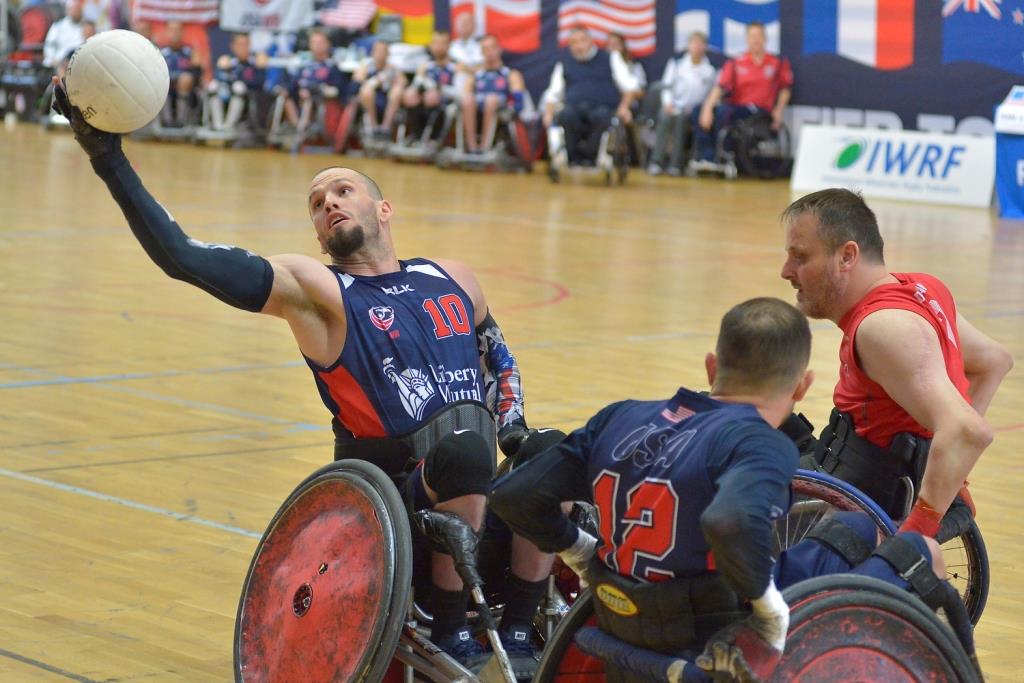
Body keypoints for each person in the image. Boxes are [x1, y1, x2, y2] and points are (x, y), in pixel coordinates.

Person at [50, 79, 554, 677]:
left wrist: (517, 430)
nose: (330, 203)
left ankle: (524, 622)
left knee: (552, 453)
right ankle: (450, 626)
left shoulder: (453, 275)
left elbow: (498, 356)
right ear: (318, 232)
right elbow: (183, 256)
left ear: (382, 209)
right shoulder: (318, 292)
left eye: (343, 190)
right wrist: (107, 157)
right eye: (318, 203)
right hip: (400, 499)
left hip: (477, 488)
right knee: (469, 453)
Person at [491, 297, 949, 681]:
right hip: (717, 630)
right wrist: (769, 610)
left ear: (711, 367)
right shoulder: (761, 443)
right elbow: (728, 520)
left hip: (622, 616)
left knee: (853, 525)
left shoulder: (620, 416)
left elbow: (515, 494)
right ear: (803, 386)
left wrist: (582, 552)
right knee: (922, 552)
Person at [780, 188, 1013, 536]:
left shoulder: (884, 328)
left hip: (841, 501)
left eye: (800, 257)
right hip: (840, 470)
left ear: (847, 256)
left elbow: (967, 430)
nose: (786, 271)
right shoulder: (922, 288)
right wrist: (950, 472)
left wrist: (916, 533)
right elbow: (994, 360)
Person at [692, 21, 791, 172]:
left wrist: (778, 111)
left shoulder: (776, 63)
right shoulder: (736, 62)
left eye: (759, 36)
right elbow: (721, 86)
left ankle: (724, 155)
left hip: (759, 112)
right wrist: (707, 108)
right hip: (736, 107)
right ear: (747, 39)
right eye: (752, 36)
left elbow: (785, 89)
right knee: (699, 110)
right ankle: (707, 156)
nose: (755, 39)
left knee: (725, 111)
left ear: (765, 39)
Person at [541, 27, 639, 164]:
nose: (579, 45)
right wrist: (548, 113)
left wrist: (624, 107)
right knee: (565, 115)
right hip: (574, 108)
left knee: (601, 116)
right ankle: (573, 158)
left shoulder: (611, 58)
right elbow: (553, 93)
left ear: (590, 41)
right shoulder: (564, 63)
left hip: (603, 107)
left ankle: (590, 157)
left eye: (582, 40)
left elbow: (630, 87)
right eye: (574, 42)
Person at [647, 31, 715, 177]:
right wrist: (668, 103)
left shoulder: (709, 71)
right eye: (693, 43)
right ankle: (656, 162)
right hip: (672, 105)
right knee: (665, 118)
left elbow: (710, 95)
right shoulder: (677, 64)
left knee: (681, 121)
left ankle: (676, 164)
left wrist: (700, 109)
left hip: (693, 110)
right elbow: (666, 86)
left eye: (700, 44)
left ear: (705, 47)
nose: (696, 47)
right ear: (688, 46)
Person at [460, 34, 525, 154]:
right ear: (481, 52)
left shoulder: (510, 74)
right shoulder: (475, 76)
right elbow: (465, 95)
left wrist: (511, 109)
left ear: (499, 49)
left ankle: (485, 146)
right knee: (467, 99)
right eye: (485, 49)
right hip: (476, 112)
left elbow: (519, 102)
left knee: (491, 99)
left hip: (499, 111)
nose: (489, 52)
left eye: (492, 48)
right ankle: (471, 146)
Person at [280, 29, 346, 134]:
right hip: (300, 98)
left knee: (307, 96)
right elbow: (293, 83)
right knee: (284, 95)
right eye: (314, 42)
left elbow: (338, 89)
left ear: (328, 44)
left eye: (320, 42)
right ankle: (296, 126)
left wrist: (313, 90)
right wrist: (285, 89)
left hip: (318, 100)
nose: (317, 45)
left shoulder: (332, 66)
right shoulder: (306, 65)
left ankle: (303, 128)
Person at [400, 30, 457, 142]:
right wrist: (422, 82)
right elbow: (416, 85)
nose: (438, 46)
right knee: (409, 95)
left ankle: (434, 137)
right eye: (435, 43)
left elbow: (460, 93)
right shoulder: (426, 65)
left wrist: (440, 89)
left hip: (445, 105)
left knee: (432, 97)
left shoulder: (456, 66)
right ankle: (417, 135)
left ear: (449, 46)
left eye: (442, 43)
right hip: (424, 100)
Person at [207, 33, 267, 132]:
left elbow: (259, 82)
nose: (242, 48)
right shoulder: (229, 62)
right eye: (239, 45)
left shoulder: (255, 62)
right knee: (213, 86)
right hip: (226, 94)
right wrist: (222, 69)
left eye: (245, 44)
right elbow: (220, 78)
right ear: (233, 46)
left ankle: (228, 126)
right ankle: (217, 124)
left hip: (246, 97)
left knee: (239, 87)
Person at [353, 40, 405, 139]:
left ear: (388, 53)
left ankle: (386, 127)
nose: (381, 53)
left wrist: (392, 80)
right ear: (373, 52)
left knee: (397, 91)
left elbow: (403, 83)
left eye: (384, 50)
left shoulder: (393, 68)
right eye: (378, 50)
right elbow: (356, 84)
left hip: (387, 102)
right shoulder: (366, 66)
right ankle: (373, 127)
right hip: (369, 101)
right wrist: (376, 81)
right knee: (366, 90)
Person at [160, 21, 202, 127]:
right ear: (166, 32)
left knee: (185, 78)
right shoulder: (160, 52)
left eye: (177, 30)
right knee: (162, 81)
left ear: (182, 33)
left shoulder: (190, 51)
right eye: (172, 30)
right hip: (165, 88)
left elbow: (198, 72)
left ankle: (181, 120)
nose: (175, 33)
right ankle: (167, 120)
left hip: (185, 88)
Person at [43, 0, 85, 68]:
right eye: (73, 10)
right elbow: (49, 45)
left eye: (78, 10)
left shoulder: (86, 26)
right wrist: (53, 59)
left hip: (80, 61)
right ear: (68, 11)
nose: (76, 12)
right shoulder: (58, 26)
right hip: (59, 60)